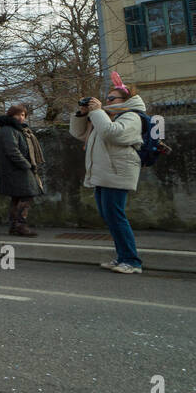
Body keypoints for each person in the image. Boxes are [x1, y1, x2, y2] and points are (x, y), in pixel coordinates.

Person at [70, 72, 146, 274]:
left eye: (112, 99)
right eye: (107, 98)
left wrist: (97, 112)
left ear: (125, 100)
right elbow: (78, 134)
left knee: (116, 216)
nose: (107, 101)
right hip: (104, 174)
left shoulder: (132, 116)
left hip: (117, 173)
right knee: (110, 217)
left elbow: (114, 133)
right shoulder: (107, 116)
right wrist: (83, 113)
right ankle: (123, 257)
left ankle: (132, 261)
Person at [0, 103, 45, 237]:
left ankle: (14, 226)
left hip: (17, 169)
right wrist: (27, 165)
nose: (21, 118)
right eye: (18, 115)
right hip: (16, 170)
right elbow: (12, 151)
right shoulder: (8, 130)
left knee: (17, 197)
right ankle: (20, 225)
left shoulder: (18, 130)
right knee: (26, 195)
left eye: (23, 115)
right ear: (11, 116)